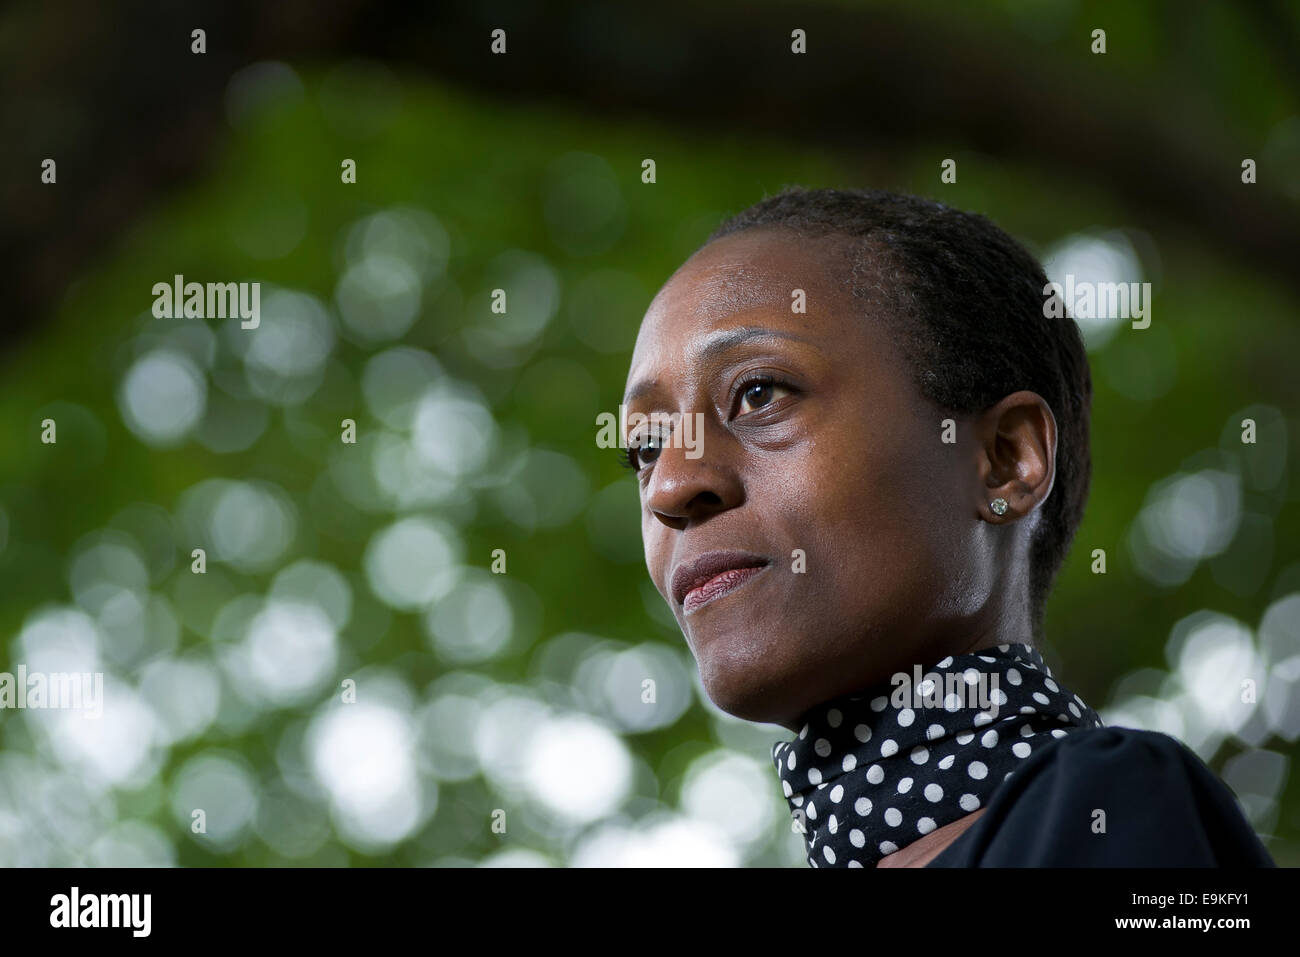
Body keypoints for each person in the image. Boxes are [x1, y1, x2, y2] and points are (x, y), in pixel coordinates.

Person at [619, 186, 1275, 867]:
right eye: (646, 446)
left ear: (1005, 459)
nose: (669, 485)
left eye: (760, 393)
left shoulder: (1107, 807)